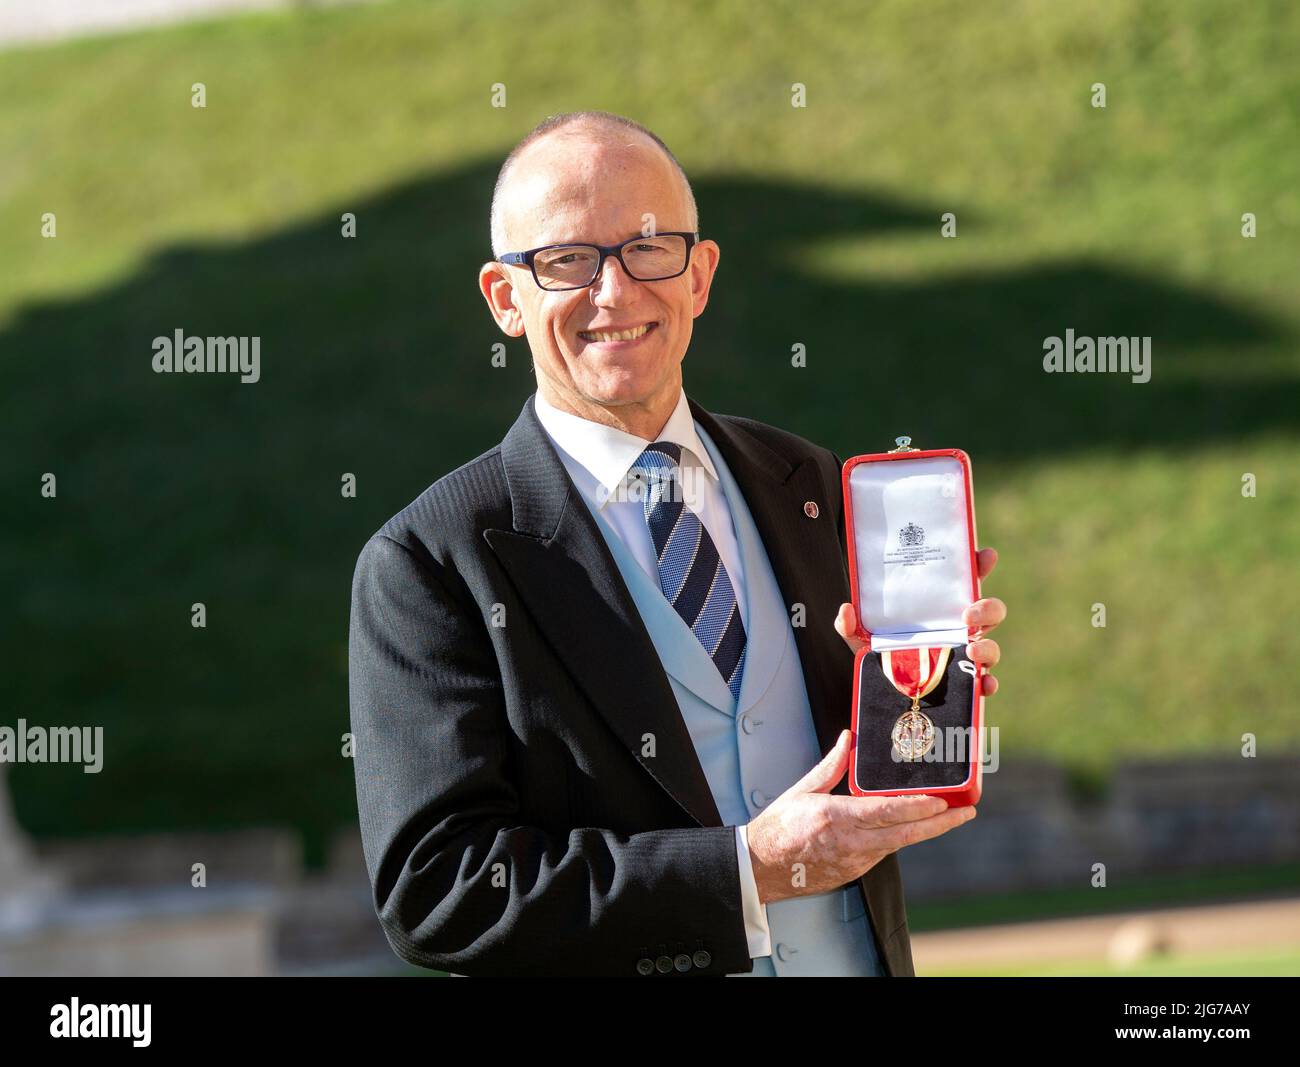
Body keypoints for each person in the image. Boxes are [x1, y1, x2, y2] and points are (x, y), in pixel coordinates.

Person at [348, 110, 1005, 976]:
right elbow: (441, 891)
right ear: (506, 299)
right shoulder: (430, 562)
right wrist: (750, 869)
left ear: (700, 275)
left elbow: (849, 772)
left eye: (648, 247)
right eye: (566, 260)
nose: (614, 292)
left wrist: (915, 696)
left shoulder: (803, 481)